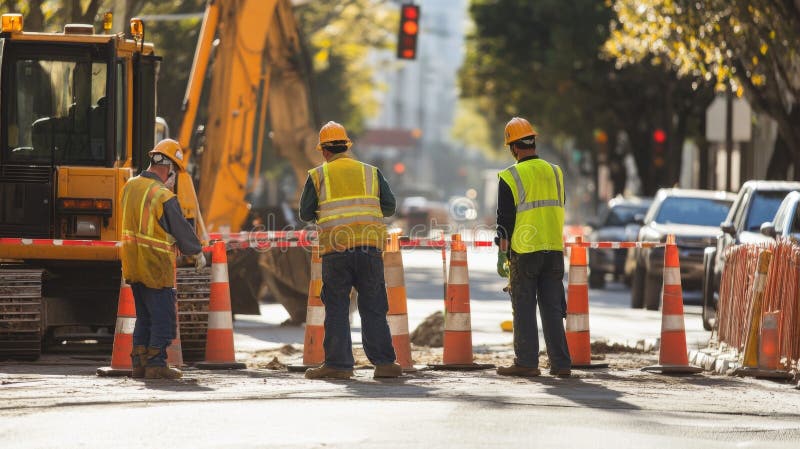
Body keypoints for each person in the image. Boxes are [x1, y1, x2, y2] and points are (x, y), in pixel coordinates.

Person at [299, 121, 402, 380]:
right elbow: (389, 207)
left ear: (324, 151)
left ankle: (338, 365)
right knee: (374, 306)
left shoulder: (317, 175)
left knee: (336, 308)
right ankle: (385, 364)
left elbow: (304, 213)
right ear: (347, 146)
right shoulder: (371, 172)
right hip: (369, 248)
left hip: (336, 249)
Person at [121, 139, 205, 379]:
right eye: (175, 170)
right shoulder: (162, 194)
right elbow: (179, 227)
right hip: (155, 264)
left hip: (132, 262)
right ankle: (156, 364)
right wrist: (196, 252)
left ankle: (139, 363)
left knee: (144, 316)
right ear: (167, 167)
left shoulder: (130, 186)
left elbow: (146, 223)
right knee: (162, 318)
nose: (174, 175)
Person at [495, 117, 572, 378]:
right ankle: (561, 364)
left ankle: (527, 362)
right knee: (552, 308)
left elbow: (505, 221)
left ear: (513, 147)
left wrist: (502, 253)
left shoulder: (510, 176)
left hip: (525, 252)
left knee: (524, 307)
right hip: (553, 249)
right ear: (533, 142)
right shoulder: (556, 171)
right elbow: (559, 205)